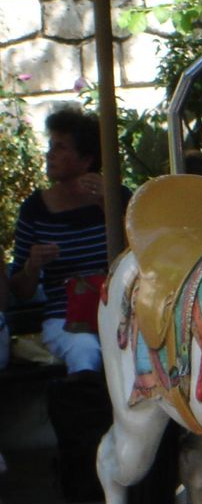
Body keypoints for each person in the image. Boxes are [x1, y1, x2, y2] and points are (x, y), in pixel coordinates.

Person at [7, 106, 123, 375]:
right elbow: (21, 290)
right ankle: (87, 410)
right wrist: (32, 266)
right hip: (66, 319)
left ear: (86, 160)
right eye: (50, 145)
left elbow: (137, 256)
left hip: (116, 312)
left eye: (60, 148)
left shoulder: (116, 198)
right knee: (86, 350)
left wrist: (108, 204)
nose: (50, 154)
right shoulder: (35, 209)